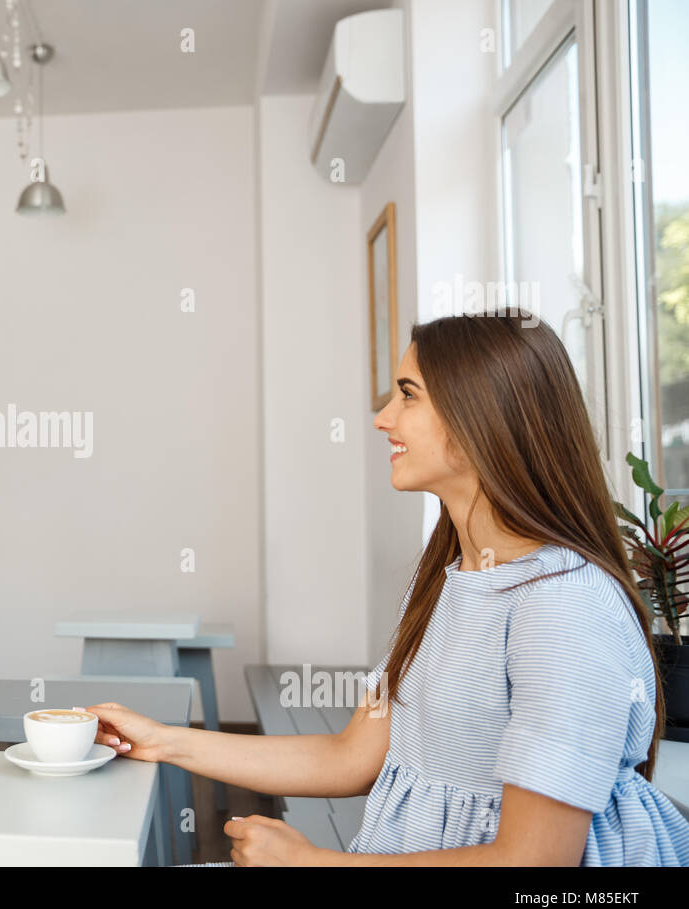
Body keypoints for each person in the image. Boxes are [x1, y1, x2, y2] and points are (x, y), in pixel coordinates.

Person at [86, 310, 689, 865]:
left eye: (408, 395)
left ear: (481, 414)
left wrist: (312, 863)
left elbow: (532, 864)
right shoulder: (450, 580)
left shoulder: (564, 606)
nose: (383, 418)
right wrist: (164, 742)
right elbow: (352, 756)